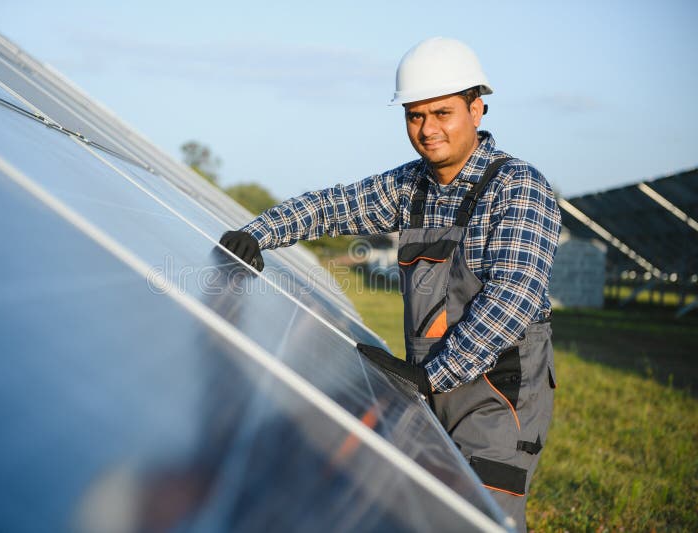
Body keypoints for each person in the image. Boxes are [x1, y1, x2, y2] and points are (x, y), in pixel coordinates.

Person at [219, 36, 561, 531]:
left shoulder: (517, 186)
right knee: (416, 511)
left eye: (442, 113)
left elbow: (515, 296)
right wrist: (258, 233)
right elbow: (333, 206)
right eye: (415, 116)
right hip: (427, 384)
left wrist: (432, 377)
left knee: (475, 518)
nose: (427, 130)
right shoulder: (412, 186)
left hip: (498, 396)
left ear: (477, 109)